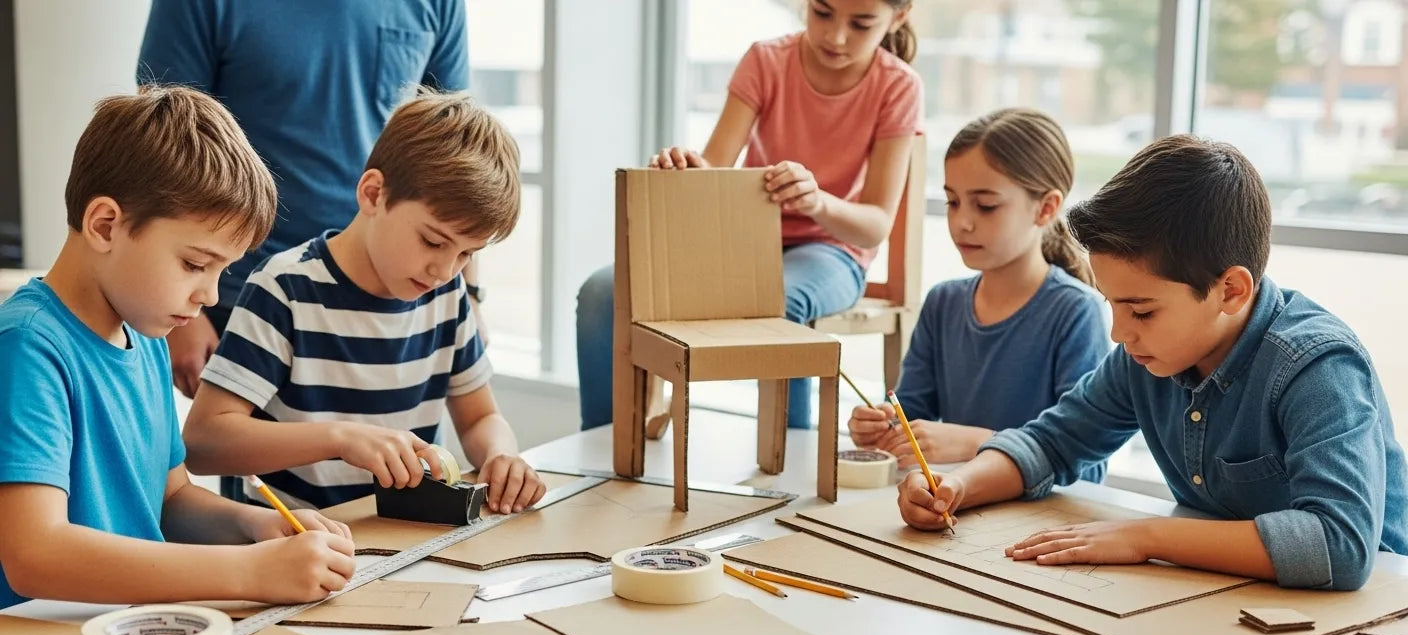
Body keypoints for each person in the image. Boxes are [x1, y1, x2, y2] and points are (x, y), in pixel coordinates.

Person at [898, 135, 1408, 591]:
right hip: (1231, 598)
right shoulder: (1147, 355)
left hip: (1364, 619)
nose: (1120, 333)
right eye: (1112, 304)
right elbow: (1051, 442)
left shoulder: (1318, 367)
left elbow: (1339, 544)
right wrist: (960, 484)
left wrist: (1149, 536)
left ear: (1230, 290)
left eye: (1141, 309)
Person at [0, 86, 355, 610]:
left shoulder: (145, 338)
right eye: (194, 264)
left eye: (221, 271)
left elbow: (169, 501)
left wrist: (257, 527)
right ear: (105, 225)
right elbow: (35, 553)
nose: (209, 295)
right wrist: (250, 572)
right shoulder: (28, 347)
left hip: (127, 632)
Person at [183, 91, 546, 517]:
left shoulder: (448, 296)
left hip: (406, 539)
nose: (445, 269)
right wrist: (340, 438)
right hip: (300, 546)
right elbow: (203, 443)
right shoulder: (284, 290)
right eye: (433, 241)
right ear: (373, 194)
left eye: (467, 253)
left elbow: (479, 418)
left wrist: (501, 456)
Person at [576, 0, 923, 432]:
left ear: (899, 16)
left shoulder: (898, 86)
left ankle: (789, 463)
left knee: (778, 300)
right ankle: (602, 447)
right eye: (822, 13)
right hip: (741, 245)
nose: (835, 36)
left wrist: (817, 202)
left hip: (832, 253)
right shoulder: (767, 59)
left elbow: (874, 226)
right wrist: (688, 170)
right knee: (602, 292)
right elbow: (715, 169)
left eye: (861, 23)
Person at [137, 0, 476, 398]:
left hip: (391, 302)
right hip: (239, 295)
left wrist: (471, 297)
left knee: (390, 457)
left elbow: (456, 164)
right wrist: (183, 314)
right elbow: (164, 143)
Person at [848, 108, 1108, 481]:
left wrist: (978, 442)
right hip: (957, 506)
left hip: (1036, 523)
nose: (961, 222)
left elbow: (1088, 468)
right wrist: (884, 429)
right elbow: (912, 415)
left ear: (1046, 208)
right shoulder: (943, 303)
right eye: (953, 202)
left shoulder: (1075, 312)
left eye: (985, 205)